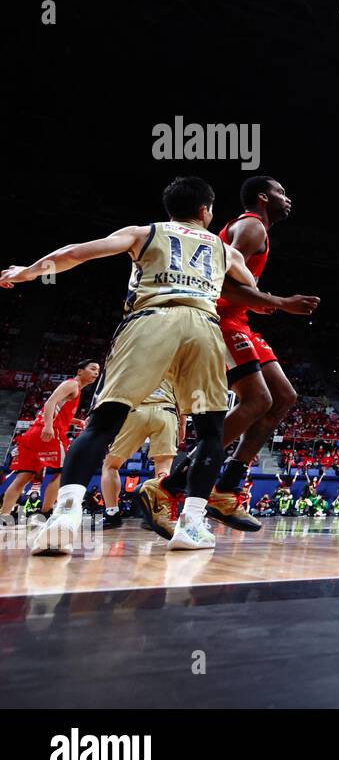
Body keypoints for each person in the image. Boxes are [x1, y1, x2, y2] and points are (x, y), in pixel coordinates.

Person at [0, 176, 317, 555]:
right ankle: (192, 524)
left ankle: (65, 516)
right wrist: (277, 302)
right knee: (212, 432)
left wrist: (28, 271)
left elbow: (77, 251)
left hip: (151, 322)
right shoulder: (223, 245)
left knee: (104, 421)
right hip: (204, 328)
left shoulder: (143, 231)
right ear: (206, 211)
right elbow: (251, 290)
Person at [159, 176, 317, 534]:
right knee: (257, 399)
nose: (287, 198)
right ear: (263, 197)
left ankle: (227, 486)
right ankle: (177, 480)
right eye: (281, 191)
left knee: (283, 398)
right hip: (221, 318)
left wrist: (264, 303)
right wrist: (280, 303)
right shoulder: (251, 226)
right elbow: (219, 279)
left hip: (240, 320)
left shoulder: (254, 228)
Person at [0, 360, 99, 526]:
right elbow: (49, 403)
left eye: (98, 371)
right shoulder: (72, 385)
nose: (96, 373)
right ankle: (45, 514)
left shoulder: (74, 389)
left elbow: (59, 414)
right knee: (63, 471)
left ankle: (4, 516)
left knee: (23, 477)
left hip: (33, 434)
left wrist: (78, 422)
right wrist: (48, 426)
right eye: (93, 369)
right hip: (48, 433)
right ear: (80, 371)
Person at [99, 379, 181, 531]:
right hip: (167, 412)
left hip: (137, 411)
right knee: (163, 470)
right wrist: (181, 426)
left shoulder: (136, 358)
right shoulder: (174, 363)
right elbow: (181, 400)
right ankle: (158, 516)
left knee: (110, 465)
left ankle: (112, 513)